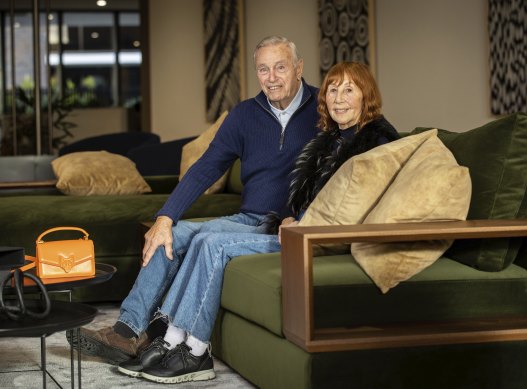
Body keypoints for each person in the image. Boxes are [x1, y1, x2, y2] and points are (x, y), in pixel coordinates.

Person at [113, 61, 399, 385]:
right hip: (295, 227)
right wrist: (296, 215)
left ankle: (193, 351)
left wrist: (302, 221)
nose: (338, 98)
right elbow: (317, 196)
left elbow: (354, 201)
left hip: (320, 238)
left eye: (349, 89)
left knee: (211, 244)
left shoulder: (375, 141)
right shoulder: (332, 137)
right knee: (190, 236)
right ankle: (169, 340)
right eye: (333, 89)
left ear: (367, 95)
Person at [69, 35, 320, 383]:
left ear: (299, 68)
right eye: (263, 69)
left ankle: (173, 343)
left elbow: (355, 150)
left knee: (204, 240)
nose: (272, 77)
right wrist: (165, 217)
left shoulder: (325, 109)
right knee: (172, 234)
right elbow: (206, 166)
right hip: (248, 219)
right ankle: (127, 332)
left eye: (280, 67)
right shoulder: (246, 114)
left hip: (282, 225)